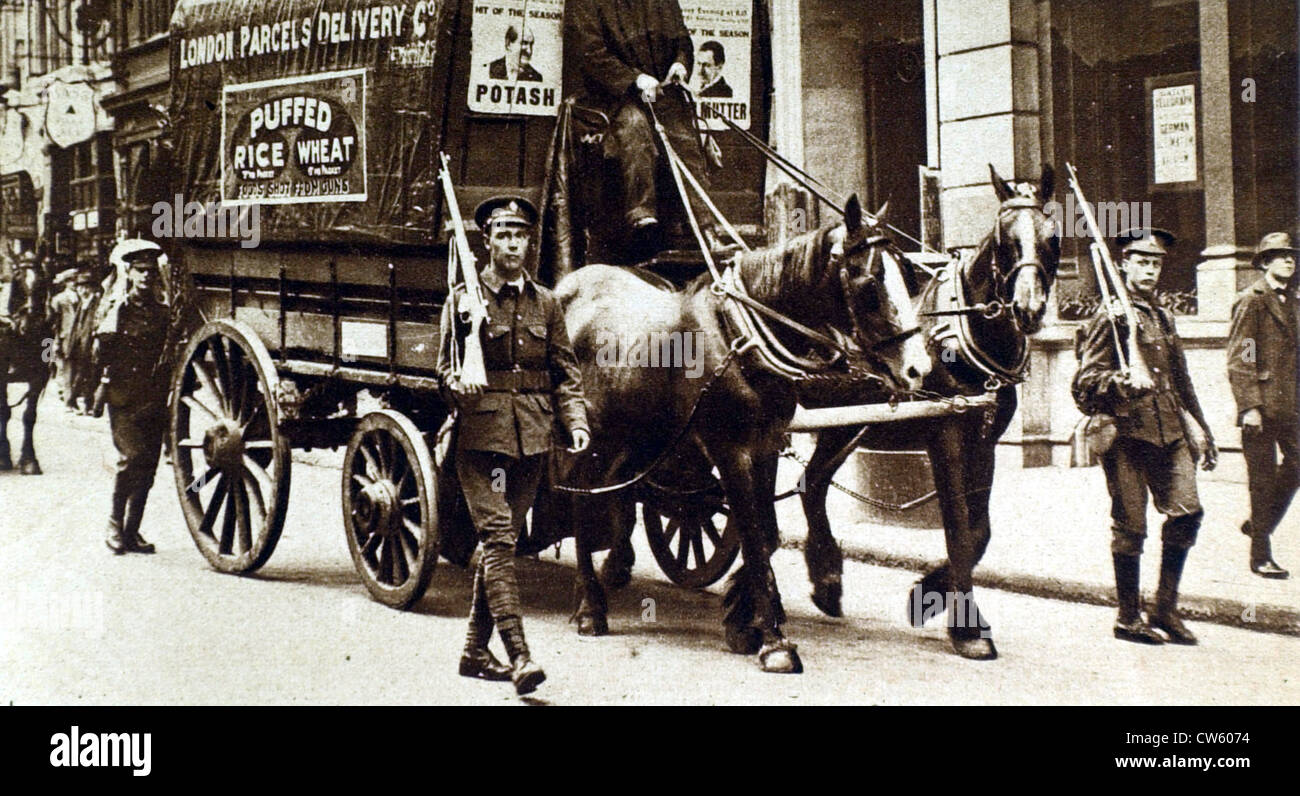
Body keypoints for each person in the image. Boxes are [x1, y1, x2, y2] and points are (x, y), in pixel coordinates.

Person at [436, 195, 590, 695]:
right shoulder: (464, 301)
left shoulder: (546, 302)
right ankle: (520, 654)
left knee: (501, 544)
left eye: (519, 235)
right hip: (480, 439)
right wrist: (457, 384)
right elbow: (444, 368)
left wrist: (576, 421)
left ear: (528, 241)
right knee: (500, 538)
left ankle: (475, 652)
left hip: (532, 439)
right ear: (487, 242)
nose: (512, 245)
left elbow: (564, 371)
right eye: (502, 235)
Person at [1073, 227, 1217, 646]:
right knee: (1131, 526)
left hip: (1170, 429)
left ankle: (1165, 608)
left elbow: (1180, 379)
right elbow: (1084, 384)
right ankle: (1128, 617)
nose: (1150, 269)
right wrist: (1121, 381)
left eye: (1156, 263)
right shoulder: (1111, 317)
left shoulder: (1161, 315)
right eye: (1142, 261)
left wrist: (1200, 428)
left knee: (1187, 512)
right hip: (1126, 436)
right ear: (1124, 264)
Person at [565, 0, 723, 255]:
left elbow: (682, 41)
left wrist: (680, 64)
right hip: (611, 96)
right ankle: (643, 222)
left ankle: (705, 229)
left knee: (685, 138)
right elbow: (589, 52)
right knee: (635, 128)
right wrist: (634, 79)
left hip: (660, 93)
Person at [1227, 231, 1299, 579]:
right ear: (1266, 262)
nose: (1289, 260)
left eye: (1291, 255)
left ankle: (1260, 522)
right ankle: (1260, 556)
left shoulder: (1294, 301)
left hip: (1290, 406)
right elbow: (1244, 356)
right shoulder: (1252, 300)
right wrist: (1249, 406)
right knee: (1262, 480)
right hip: (1262, 405)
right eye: (1280, 255)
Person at [92, 239, 170, 555]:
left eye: (151, 271)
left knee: (148, 467)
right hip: (123, 396)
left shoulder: (164, 313)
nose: (146, 277)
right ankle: (114, 524)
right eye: (140, 271)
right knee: (131, 459)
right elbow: (97, 352)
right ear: (130, 273)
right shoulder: (116, 310)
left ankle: (132, 530)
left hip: (153, 397)